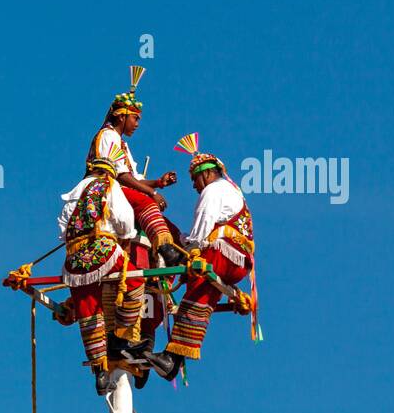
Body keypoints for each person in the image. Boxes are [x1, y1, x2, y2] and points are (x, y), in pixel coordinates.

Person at [145, 135, 257, 380]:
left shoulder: (213, 191)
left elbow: (203, 226)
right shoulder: (231, 191)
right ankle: (172, 359)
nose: (194, 186)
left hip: (225, 253)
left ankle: (172, 359)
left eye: (194, 179)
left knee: (196, 291)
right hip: (237, 261)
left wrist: (192, 252)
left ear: (205, 174)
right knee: (200, 295)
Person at [58, 143, 147, 395]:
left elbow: (62, 229)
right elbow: (124, 219)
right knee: (134, 281)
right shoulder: (110, 185)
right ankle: (121, 338)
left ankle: (99, 372)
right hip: (103, 250)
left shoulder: (73, 194)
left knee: (89, 312)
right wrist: (126, 237)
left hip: (73, 260)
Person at [87, 66, 182, 270]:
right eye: (135, 118)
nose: (137, 124)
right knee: (146, 201)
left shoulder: (123, 144)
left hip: (119, 189)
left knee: (161, 218)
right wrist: (151, 192)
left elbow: (132, 177)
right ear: (121, 117)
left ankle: (178, 252)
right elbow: (121, 176)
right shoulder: (108, 136)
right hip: (104, 190)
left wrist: (158, 182)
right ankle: (165, 249)